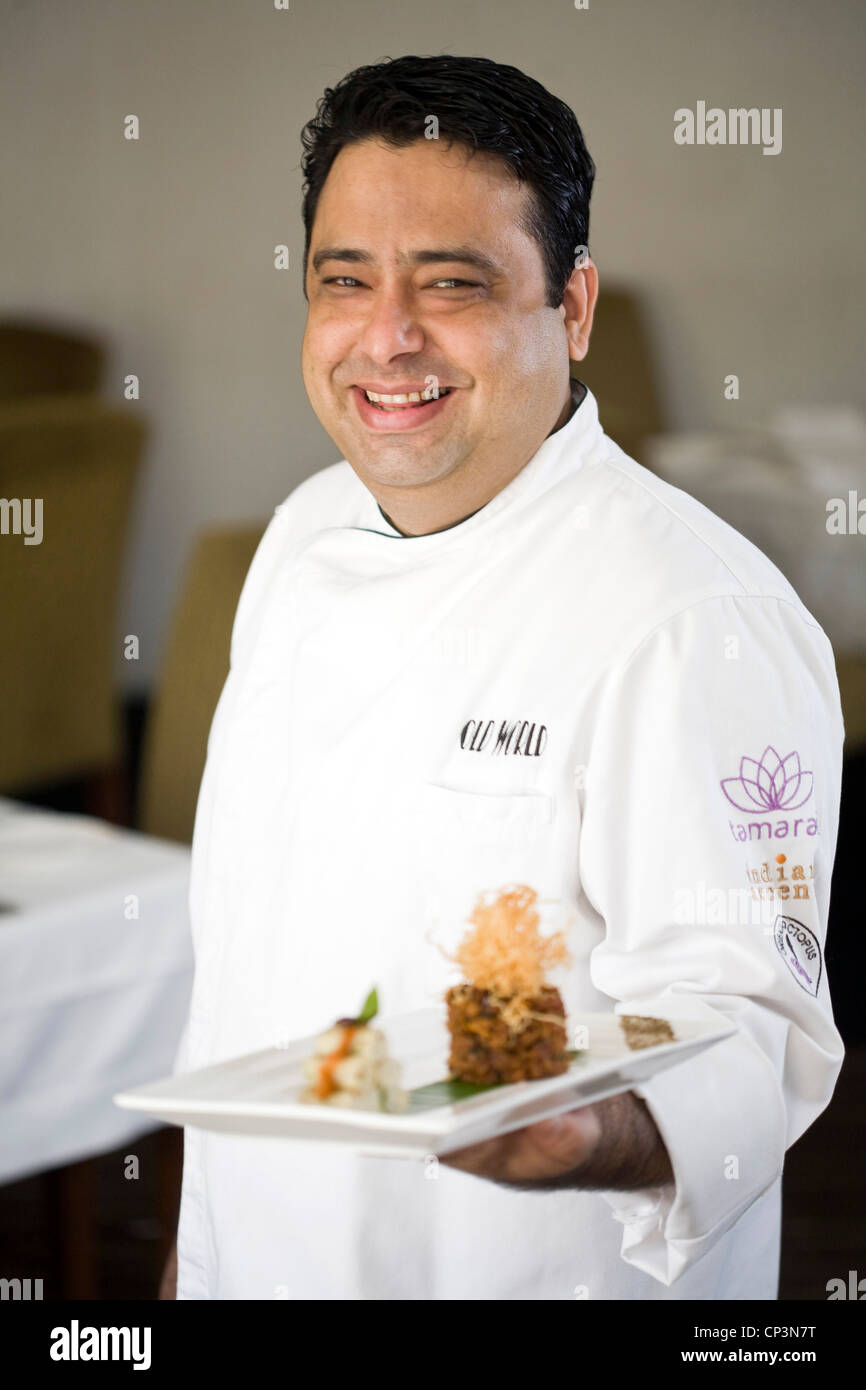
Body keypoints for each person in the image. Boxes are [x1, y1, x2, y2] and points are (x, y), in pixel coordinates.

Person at [163, 54, 844, 1300]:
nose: (387, 339)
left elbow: (755, 1038)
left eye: (453, 284)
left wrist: (592, 1132)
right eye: (343, 281)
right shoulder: (301, 536)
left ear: (571, 308)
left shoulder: (697, 614)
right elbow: (242, 991)